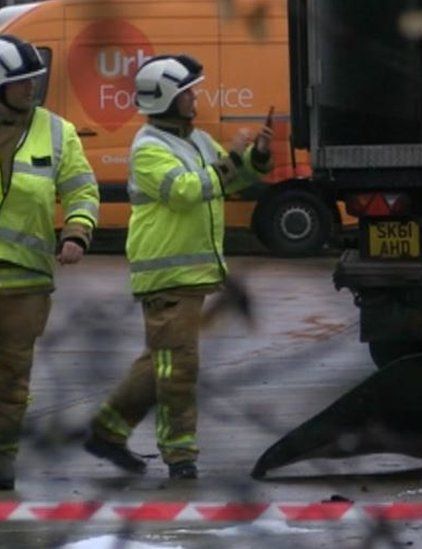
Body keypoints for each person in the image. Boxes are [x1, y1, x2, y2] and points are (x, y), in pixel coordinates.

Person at [83, 54, 273, 480]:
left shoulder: (197, 140)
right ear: (167, 97)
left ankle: (107, 432)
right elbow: (188, 191)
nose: (195, 97)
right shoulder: (149, 148)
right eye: (188, 91)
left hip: (191, 275)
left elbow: (230, 182)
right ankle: (179, 455)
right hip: (166, 275)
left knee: (162, 361)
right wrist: (231, 160)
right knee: (179, 367)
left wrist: (255, 157)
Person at [0, 35, 100, 490]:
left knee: (10, 379)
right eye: (22, 82)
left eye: (34, 80)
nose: (33, 89)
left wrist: (77, 230)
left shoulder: (57, 131)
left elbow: (81, 188)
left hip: (25, 284)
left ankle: (2, 459)